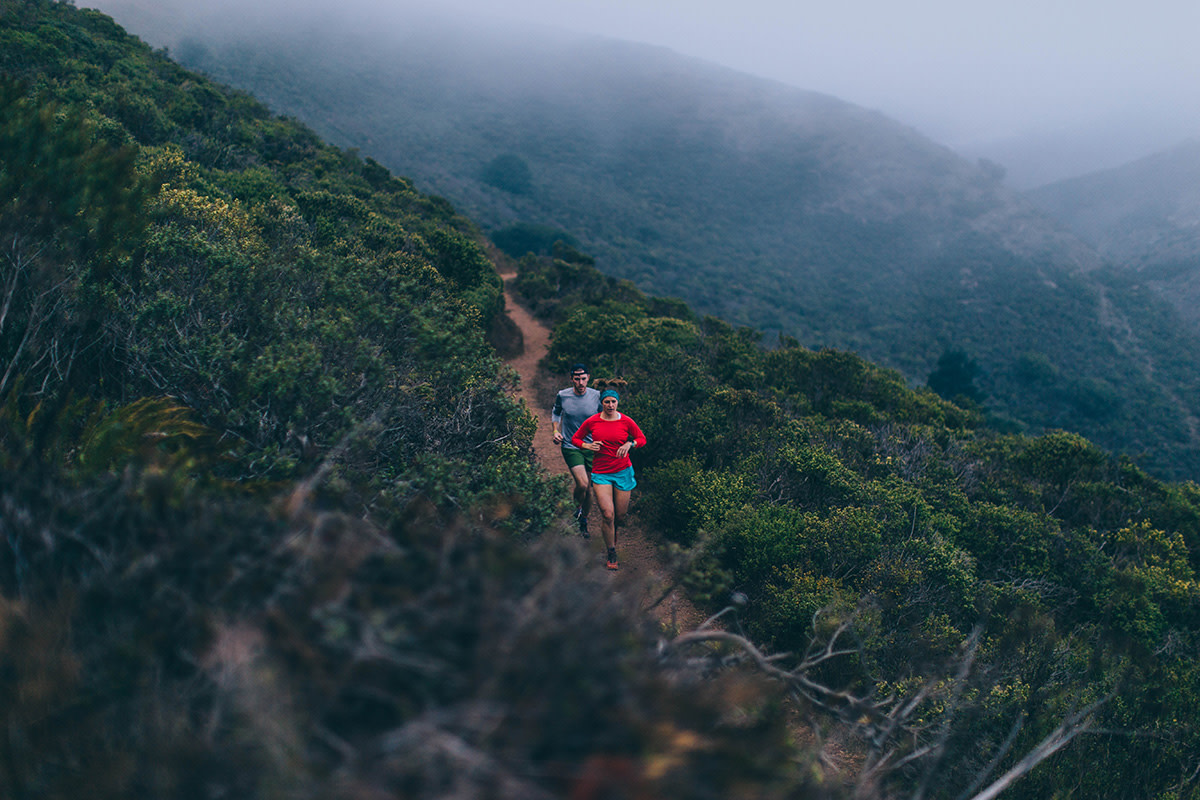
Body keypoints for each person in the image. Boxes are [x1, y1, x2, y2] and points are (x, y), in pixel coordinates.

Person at [571, 379, 646, 570]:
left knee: (619, 517)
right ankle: (611, 551)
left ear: (617, 403)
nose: (610, 405)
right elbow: (576, 438)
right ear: (602, 403)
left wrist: (630, 444)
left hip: (622, 472)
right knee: (607, 514)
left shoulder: (626, 421)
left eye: (613, 402)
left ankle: (612, 535)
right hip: (601, 473)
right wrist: (587, 445)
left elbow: (641, 438)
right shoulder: (593, 421)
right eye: (607, 402)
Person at [552, 363, 601, 536]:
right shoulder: (563, 395)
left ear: (588, 377)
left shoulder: (597, 396)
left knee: (589, 490)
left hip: (592, 447)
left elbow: (604, 417)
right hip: (571, 445)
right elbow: (556, 412)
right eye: (577, 379)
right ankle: (576, 508)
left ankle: (584, 520)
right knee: (582, 483)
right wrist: (556, 431)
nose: (580, 382)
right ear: (572, 379)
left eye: (583, 378)